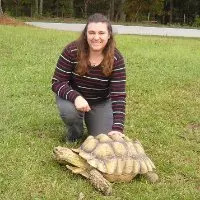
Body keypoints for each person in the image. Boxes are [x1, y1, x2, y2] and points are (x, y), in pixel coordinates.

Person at [52, 13, 126, 142]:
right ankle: (75, 133)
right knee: (70, 113)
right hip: (73, 97)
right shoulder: (71, 50)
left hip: (100, 101)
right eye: (91, 32)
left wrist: (118, 128)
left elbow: (118, 94)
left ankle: (94, 120)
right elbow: (57, 82)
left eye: (101, 33)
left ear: (109, 35)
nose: (96, 37)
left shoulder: (116, 59)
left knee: (103, 139)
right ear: (85, 34)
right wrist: (76, 97)